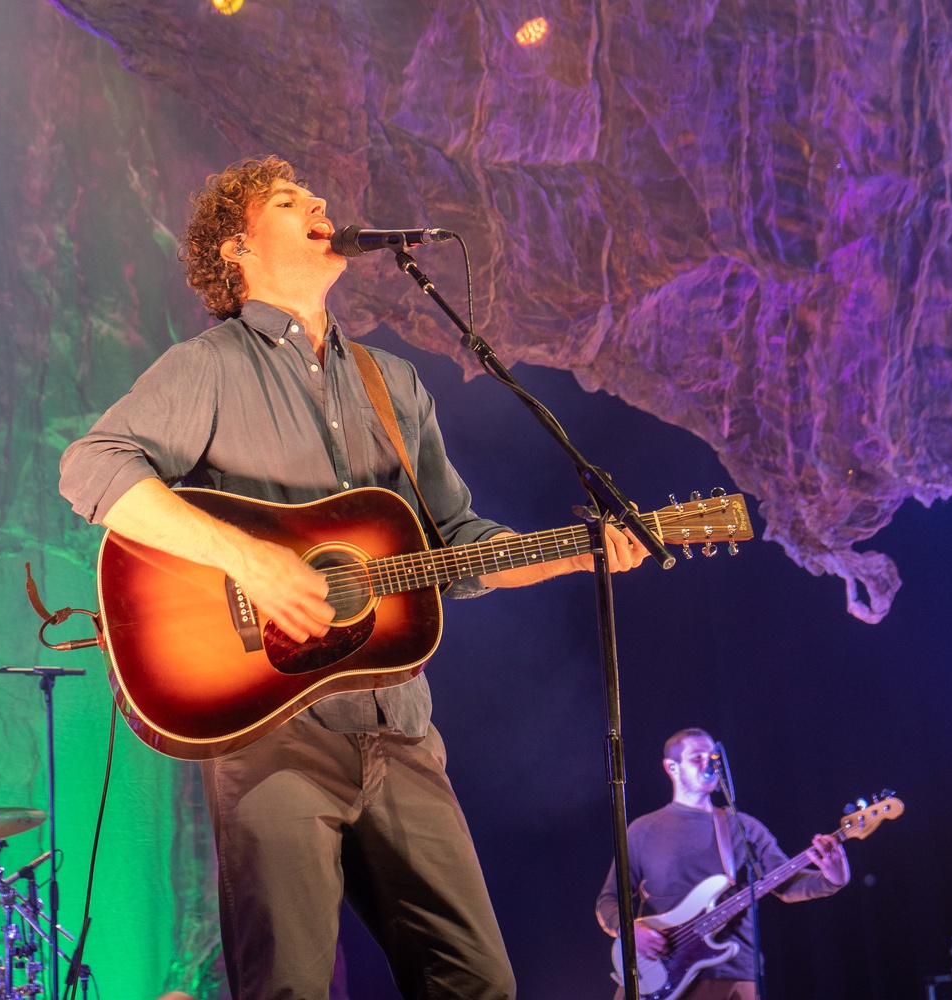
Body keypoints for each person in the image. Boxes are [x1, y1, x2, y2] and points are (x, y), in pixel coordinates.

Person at [59, 155, 646, 999]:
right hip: (271, 733)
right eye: (292, 201)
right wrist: (250, 560)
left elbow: (456, 544)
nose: (322, 205)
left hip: (402, 728)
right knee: (290, 987)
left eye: (316, 196)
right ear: (237, 249)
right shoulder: (210, 367)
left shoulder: (393, 382)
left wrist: (577, 551)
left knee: (477, 982)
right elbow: (91, 469)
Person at [595, 728, 849, 1000]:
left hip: (731, 976)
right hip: (656, 975)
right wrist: (630, 930)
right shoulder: (643, 830)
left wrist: (831, 879)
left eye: (713, 757)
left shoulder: (743, 827)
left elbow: (785, 884)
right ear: (672, 767)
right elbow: (609, 900)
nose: (709, 764)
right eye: (697, 758)